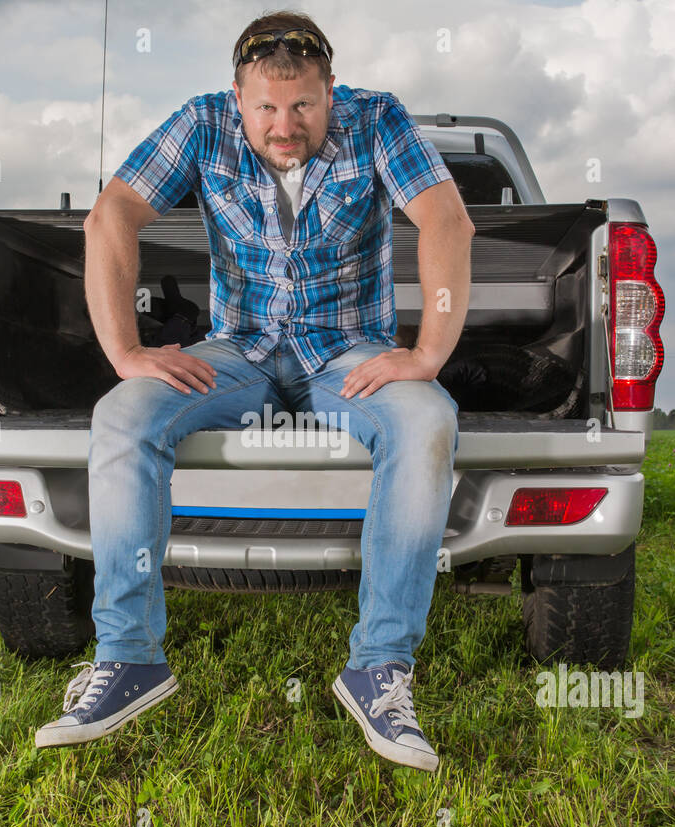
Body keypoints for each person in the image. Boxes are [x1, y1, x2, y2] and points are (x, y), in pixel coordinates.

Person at [35, 10, 474, 772]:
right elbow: (112, 214)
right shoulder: (202, 123)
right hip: (238, 352)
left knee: (427, 419)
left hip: (348, 357)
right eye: (266, 106)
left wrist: (428, 352)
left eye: (303, 105)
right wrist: (125, 351)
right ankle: (130, 657)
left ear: (330, 92)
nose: (284, 124)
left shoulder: (377, 120)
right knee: (124, 414)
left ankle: (379, 669)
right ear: (237, 95)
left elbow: (445, 219)